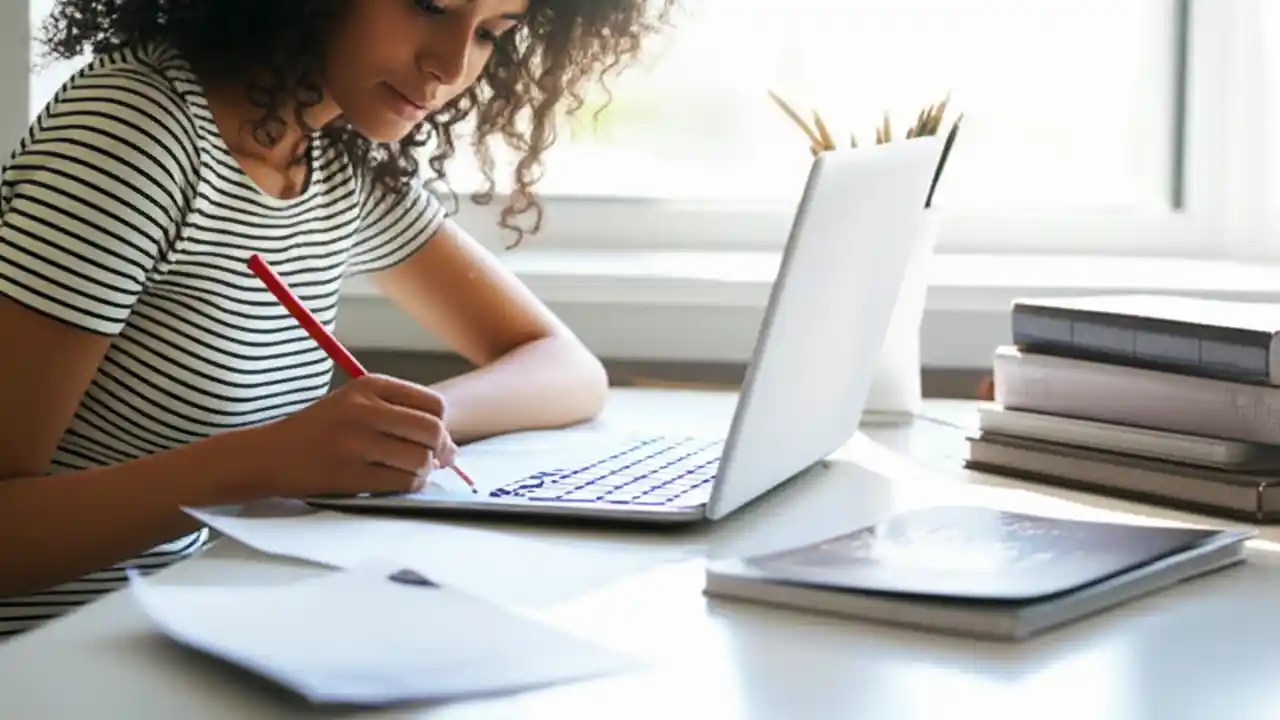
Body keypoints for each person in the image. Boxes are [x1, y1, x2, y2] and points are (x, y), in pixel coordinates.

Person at [0, 0, 672, 637]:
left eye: (492, 31)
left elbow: (566, 365)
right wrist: (268, 458)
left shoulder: (331, 151)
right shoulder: (133, 133)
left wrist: (402, 425)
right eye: (430, 6)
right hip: (51, 656)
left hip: (199, 624)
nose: (450, 66)